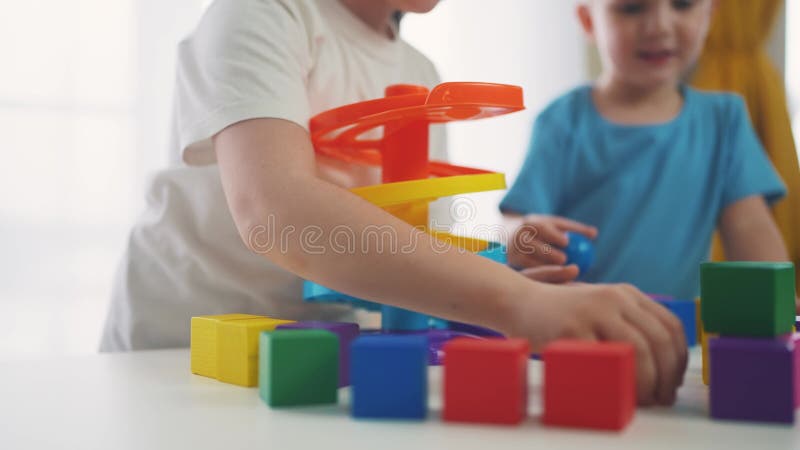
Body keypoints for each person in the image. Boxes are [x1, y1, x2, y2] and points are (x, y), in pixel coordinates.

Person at [100, 0, 686, 406]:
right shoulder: (264, 13)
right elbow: (275, 212)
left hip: (325, 354)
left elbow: (411, 224)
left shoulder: (419, 73)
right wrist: (519, 303)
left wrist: (503, 242)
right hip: (182, 353)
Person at [502, 0, 790, 301]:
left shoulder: (723, 121)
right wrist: (518, 235)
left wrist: (776, 301)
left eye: (682, 5)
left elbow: (750, 226)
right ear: (588, 21)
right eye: (632, 8)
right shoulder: (563, 121)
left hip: (672, 337)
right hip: (575, 331)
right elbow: (509, 225)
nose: (659, 27)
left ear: (709, 15)